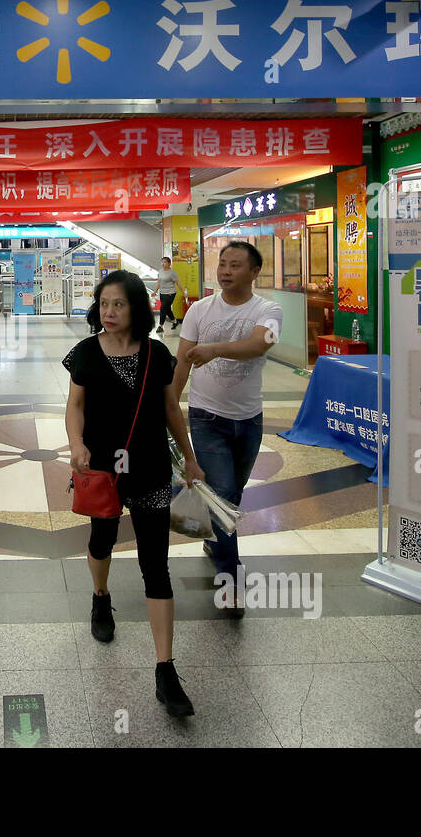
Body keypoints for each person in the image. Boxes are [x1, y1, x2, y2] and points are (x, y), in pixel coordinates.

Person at [64, 270, 206, 718]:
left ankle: (165, 669)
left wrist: (190, 458)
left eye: (118, 305)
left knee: (155, 567)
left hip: (148, 468)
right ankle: (101, 597)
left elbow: (170, 410)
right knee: (101, 540)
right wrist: (76, 443)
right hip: (104, 468)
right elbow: (75, 406)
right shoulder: (85, 354)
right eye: (104, 304)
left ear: (137, 308)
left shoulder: (157, 354)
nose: (108, 312)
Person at [172, 241, 282, 613]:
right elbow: (183, 363)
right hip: (206, 418)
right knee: (220, 496)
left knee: (230, 497)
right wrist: (169, 405)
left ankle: (214, 542)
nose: (225, 271)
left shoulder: (268, 310)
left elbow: (259, 345)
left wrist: (214, 349)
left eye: (235, 265)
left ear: (254, 272)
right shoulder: (200, 310)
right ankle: (230, 581)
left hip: (249, 420)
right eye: (222, 264)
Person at [155, 256, 184, 333]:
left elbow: (178, 283)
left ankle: (160, 326)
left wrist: (183, 292)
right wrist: (155, 291)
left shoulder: (172, 273)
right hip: (162, 293)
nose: (163, 264)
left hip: (170, 293)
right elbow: (159, 282)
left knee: (163, 308)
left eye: (164, 262)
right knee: (167, 309)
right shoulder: (160, 271)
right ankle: (175, 321)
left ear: (169, 263)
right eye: (162, 262)